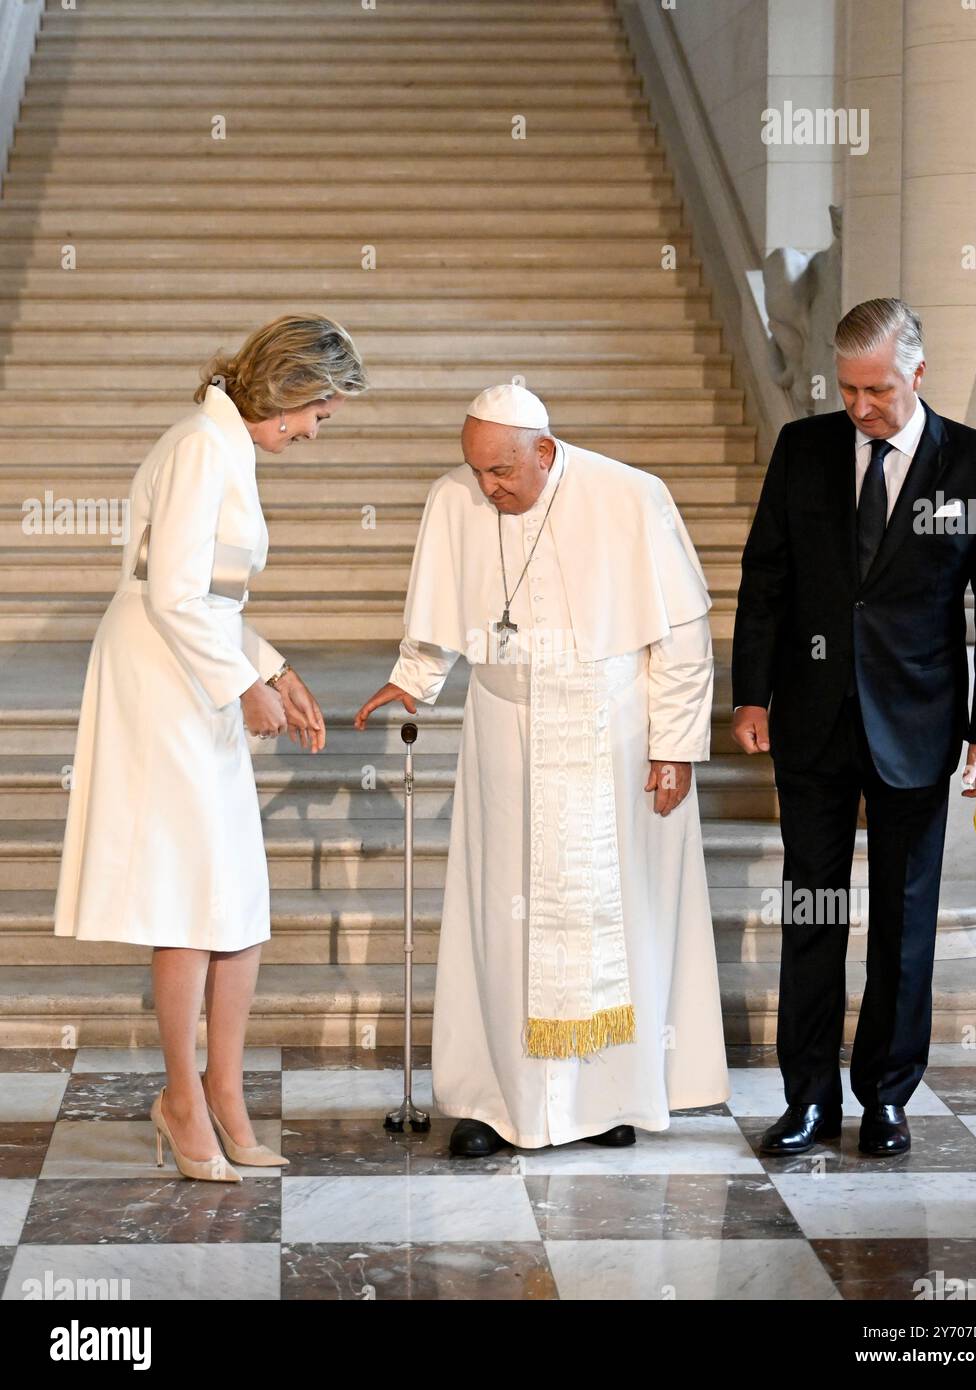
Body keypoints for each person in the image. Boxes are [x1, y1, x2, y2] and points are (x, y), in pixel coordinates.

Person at [355, 383, 729, 1155]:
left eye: (500, 472)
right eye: (476, 470)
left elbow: (683, 636)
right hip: (505, 732)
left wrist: (675, 747)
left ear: (545, 451)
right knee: (503, 914)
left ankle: (608, 1097)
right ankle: (499, 1104)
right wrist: (415, 675)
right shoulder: (455, 499)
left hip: (612, 730)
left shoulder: (632, 497)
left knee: (615, 911)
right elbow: (437, 612)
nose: (486, 488)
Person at [54, 314, 366, 1180]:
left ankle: (224, 1093)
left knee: (235, 894)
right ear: (294, 387)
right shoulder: (201, 444)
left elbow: (211, 597)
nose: (314, 431)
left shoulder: (221, 443)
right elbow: (172, 596)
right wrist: (242, 685)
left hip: (191, 663)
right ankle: (183, 1099)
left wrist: (276, 665)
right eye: (321, 412)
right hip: (162, 681)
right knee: (191, 895)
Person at [731, 297, 976, 1156]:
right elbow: (766, 578)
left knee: (904, 915)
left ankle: (886, 1095)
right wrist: (752, 693)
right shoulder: (802, 450)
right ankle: (809, 1098)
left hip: (919, 722)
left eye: (878, 390)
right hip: (814, 722)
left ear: (918, 374)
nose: (861, 407)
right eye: (850, 389)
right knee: (812, 910)